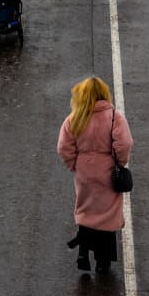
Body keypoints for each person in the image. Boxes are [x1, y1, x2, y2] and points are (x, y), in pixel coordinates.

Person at [56, 77, 132, 273]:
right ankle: (102, 260)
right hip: (107, 171)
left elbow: (64, 147)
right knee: (107, 214)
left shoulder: (75, 118)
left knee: (86, 210)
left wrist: (74, 164)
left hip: (84, 172)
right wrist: (119, 162)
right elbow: (124, 143)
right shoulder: (114, 116)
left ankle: (83, 252)